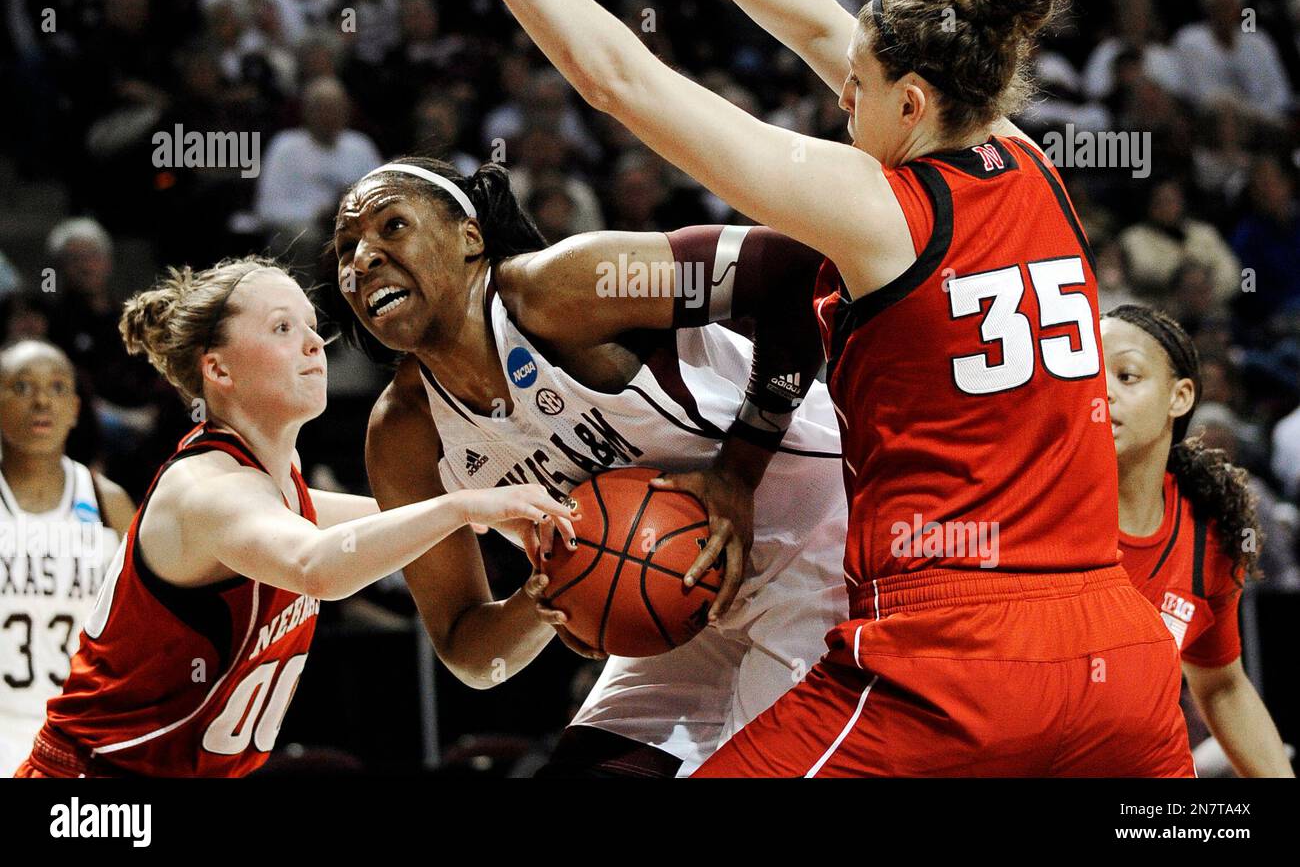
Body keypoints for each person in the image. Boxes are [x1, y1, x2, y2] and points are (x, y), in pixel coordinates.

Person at [416, 0, 1192, 776]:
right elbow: (823, 26)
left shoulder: (880, 210)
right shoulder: (1017, 154)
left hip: (956, 658)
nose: (838, 95)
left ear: (910, 102)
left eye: (857, 89)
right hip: (1116, 658)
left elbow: (622, 80)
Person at [331, 157, 847, 777]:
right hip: (681, 602)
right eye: (345, 248)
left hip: (815, 542)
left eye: (392, 226)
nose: (362, 258)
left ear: (470, 236)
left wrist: (738, 469)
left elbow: (798, 268)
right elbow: (469, 650)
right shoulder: (403, 435)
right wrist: (548, 596)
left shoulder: (562, 288)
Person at [14, 255, 571, 777]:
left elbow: (338, 518)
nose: (313, 343)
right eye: (283, 328)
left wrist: (485, 521)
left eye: (312, 326)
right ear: (219, 370)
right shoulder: (206, 489)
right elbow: (318, 566)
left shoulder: (277, 489)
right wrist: (462, 503)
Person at [1103, 305, 1294, 777]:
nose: (1101, 392)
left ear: (1179, 396)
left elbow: (1222, 686)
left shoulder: (1208, 532)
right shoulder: (1035, 508)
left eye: (1126, 376)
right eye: (1084, 377)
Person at [0, 340, 135, 776]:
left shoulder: (107, 501)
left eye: (57, 388)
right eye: (21, 387)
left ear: (75, 408)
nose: (41, 401)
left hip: (82, 735)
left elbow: (136, 628)